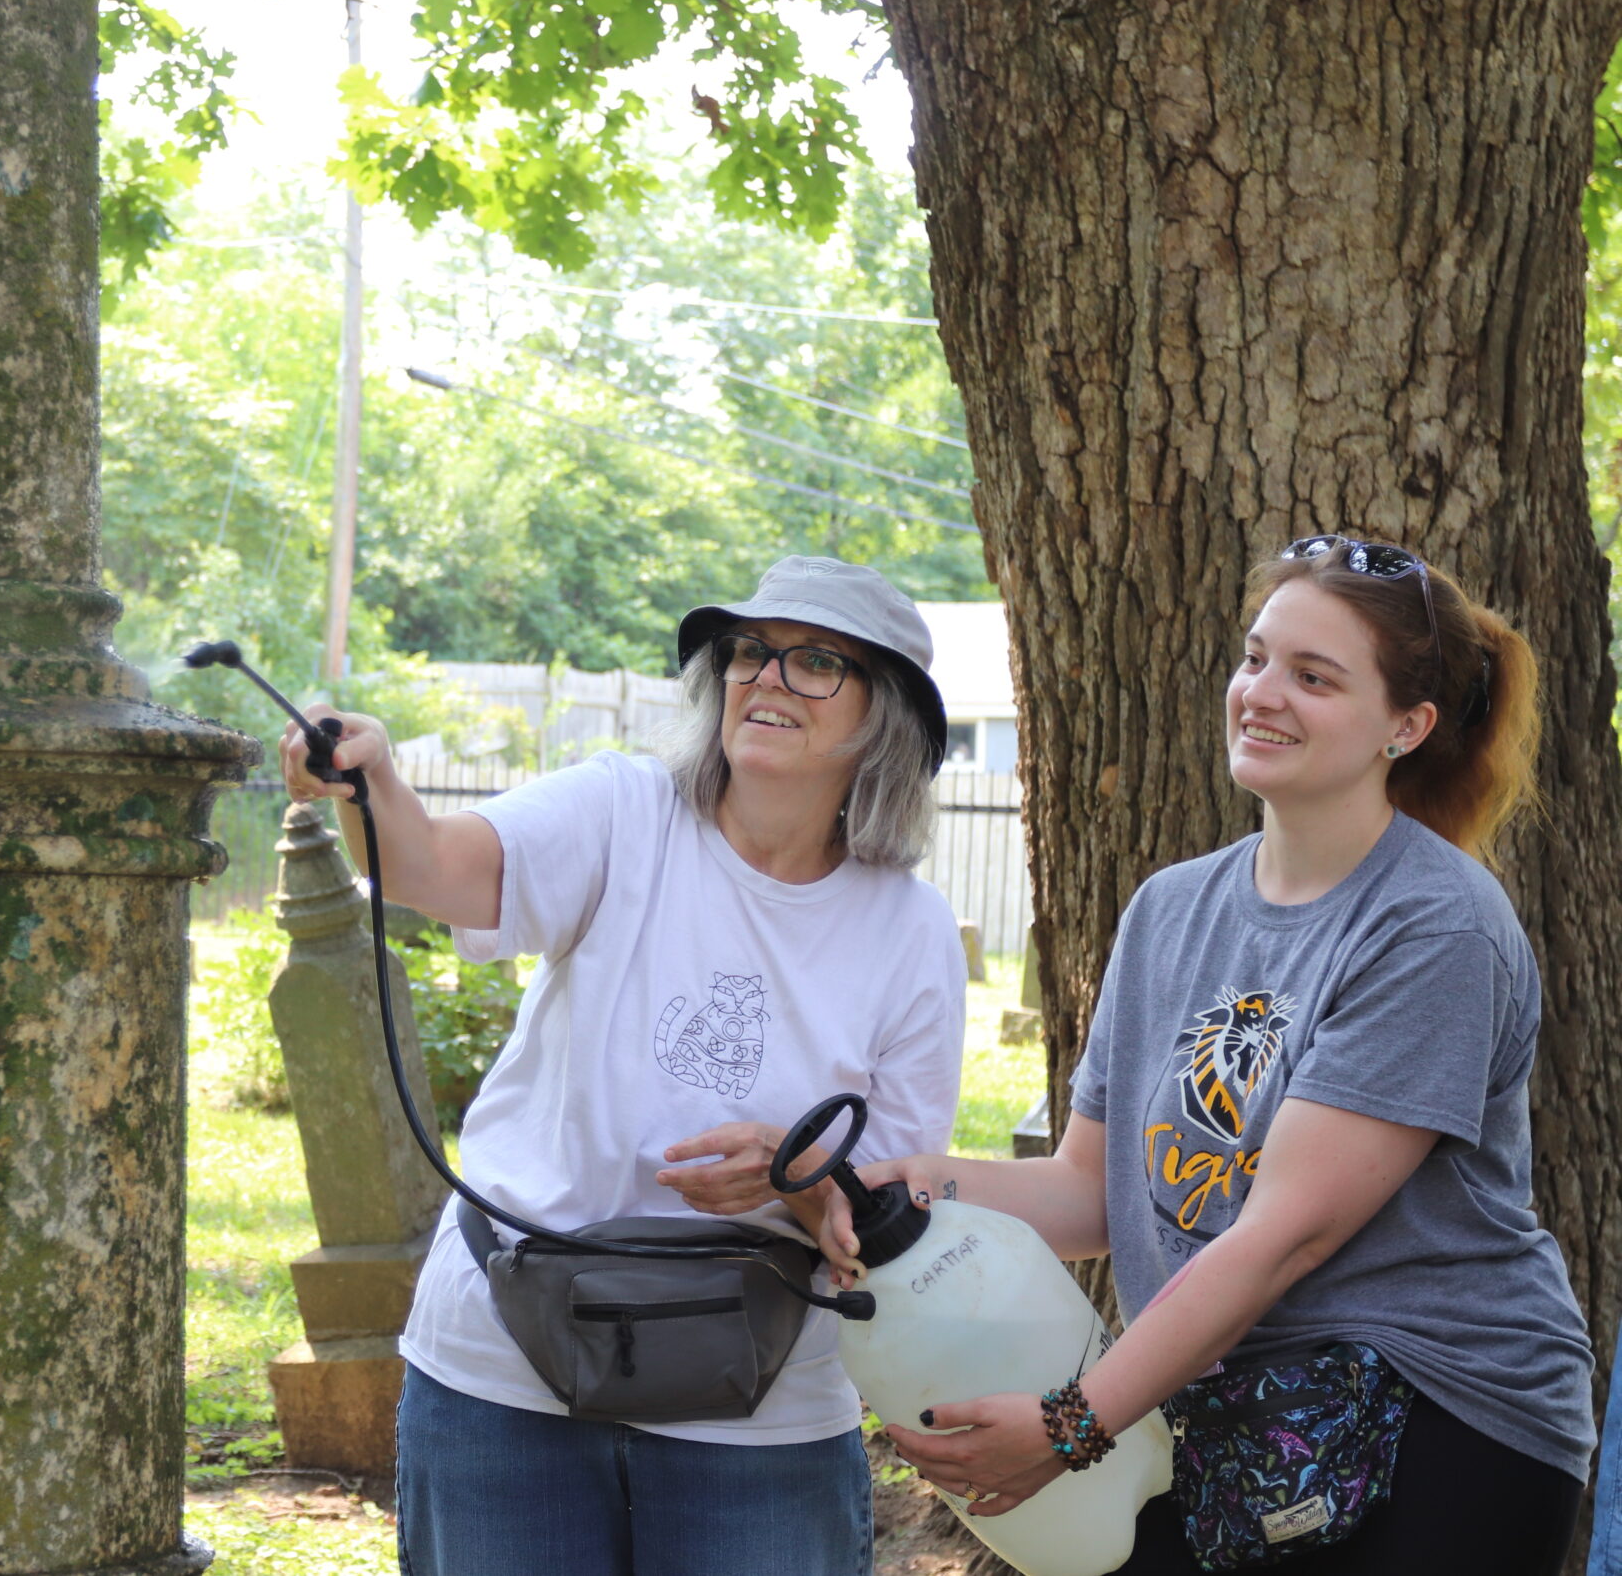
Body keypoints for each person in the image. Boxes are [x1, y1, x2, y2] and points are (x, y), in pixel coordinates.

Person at [828, 536, 1593, 1574]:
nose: (1261, 694)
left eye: (1313, 677)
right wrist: (918, 1183)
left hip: (1444, 1419)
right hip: (1231, 1415)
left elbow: (1280, 1240)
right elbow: (1094, 1197)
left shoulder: (1434, 922)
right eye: (1254, 658)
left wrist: (1072, 1424)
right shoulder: (1170, 909)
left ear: (1405, 727)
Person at [282, 555, 969, 1576]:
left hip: (759, 1407)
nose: (767, 678)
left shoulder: (911, 934)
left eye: (817, 662)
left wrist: (798, 1182)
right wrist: (372, 785)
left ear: (888, 719)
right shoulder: (622, 810)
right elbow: (432, 868)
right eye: (749, 653)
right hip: (502, 1373)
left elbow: (893, 1209)